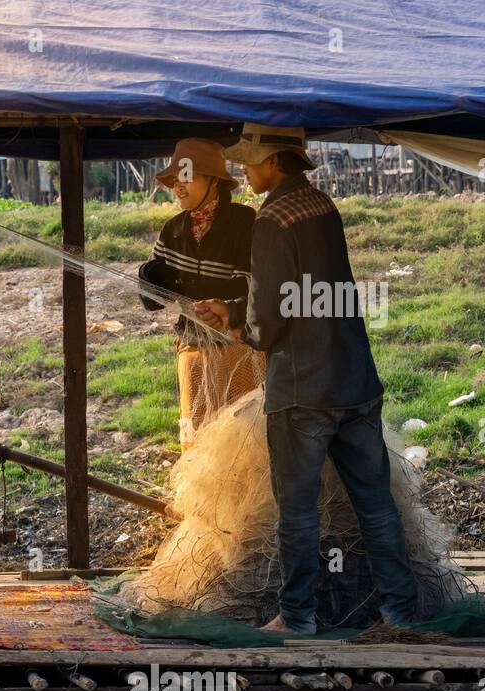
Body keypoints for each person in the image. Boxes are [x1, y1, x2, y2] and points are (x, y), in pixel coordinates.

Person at [193, 123, 419, 634]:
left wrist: (241, 326)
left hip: (302, 393)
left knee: (297, 513)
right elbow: (314, 294)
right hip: (354, 381)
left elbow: (271, 317)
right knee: (376, 506)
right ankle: (400, 612)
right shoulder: (321, 206)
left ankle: (297, 618)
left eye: (250, 161)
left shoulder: (272, 219)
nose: (243, 169)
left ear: (274, 162)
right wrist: (233, 310)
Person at [138, 138, 264, 450]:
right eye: (174, 181)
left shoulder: (243, 223)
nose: (177, 188)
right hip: (192, 348)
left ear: (213, 181)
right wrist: (150, 279)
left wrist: (188, 290)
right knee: (195, 438)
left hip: (238, 349)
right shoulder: (173, 230)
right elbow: (152, 300)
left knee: (243, 440)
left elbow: (251, 286)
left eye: (186, 178)